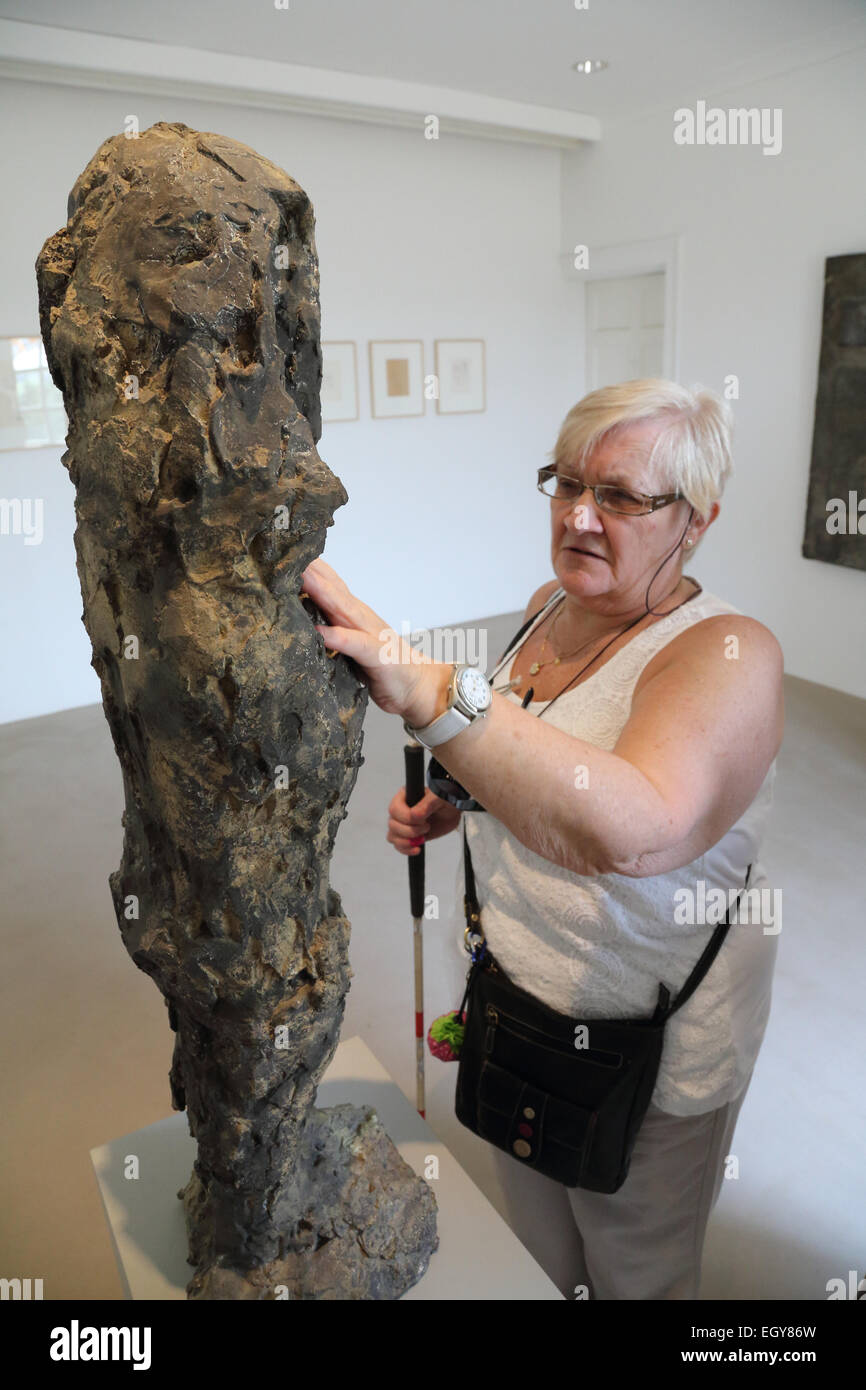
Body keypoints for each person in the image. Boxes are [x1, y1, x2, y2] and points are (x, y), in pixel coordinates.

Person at [301, 378, 784, 1300]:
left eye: (620, 496)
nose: (580, 517)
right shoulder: (543, 610)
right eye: (565, 484)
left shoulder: (729, 656)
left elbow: (636, 828)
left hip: (647, 1054)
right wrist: (462, 798)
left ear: (696, 520)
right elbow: (527, 744)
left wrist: (432, 692)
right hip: (516, 1011)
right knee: (542, 1255)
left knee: (635, 1269)